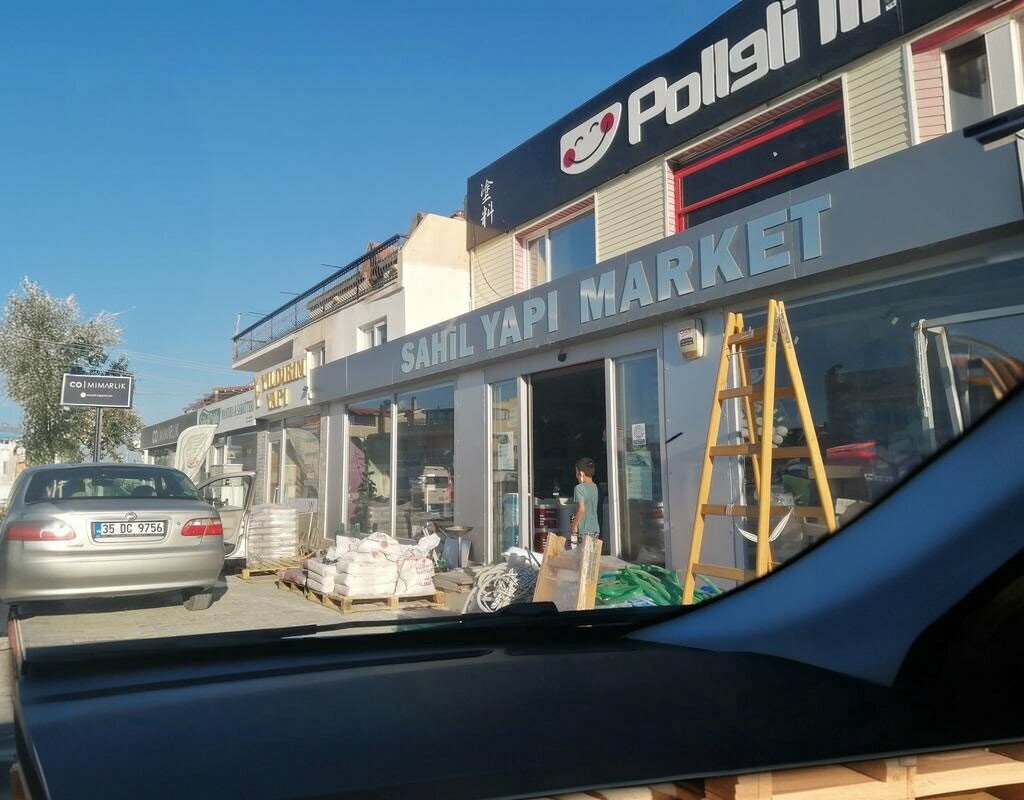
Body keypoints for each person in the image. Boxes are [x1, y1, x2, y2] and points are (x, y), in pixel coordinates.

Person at [569, 457, 600, 548]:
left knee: (582, 559)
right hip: (595, 529)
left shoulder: (579, 488)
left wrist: (574, 525)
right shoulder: (596, 487)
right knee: (591, 558)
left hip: (584, 530)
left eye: (576, 472)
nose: (576, 475)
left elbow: (581, 509)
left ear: (581, 473)